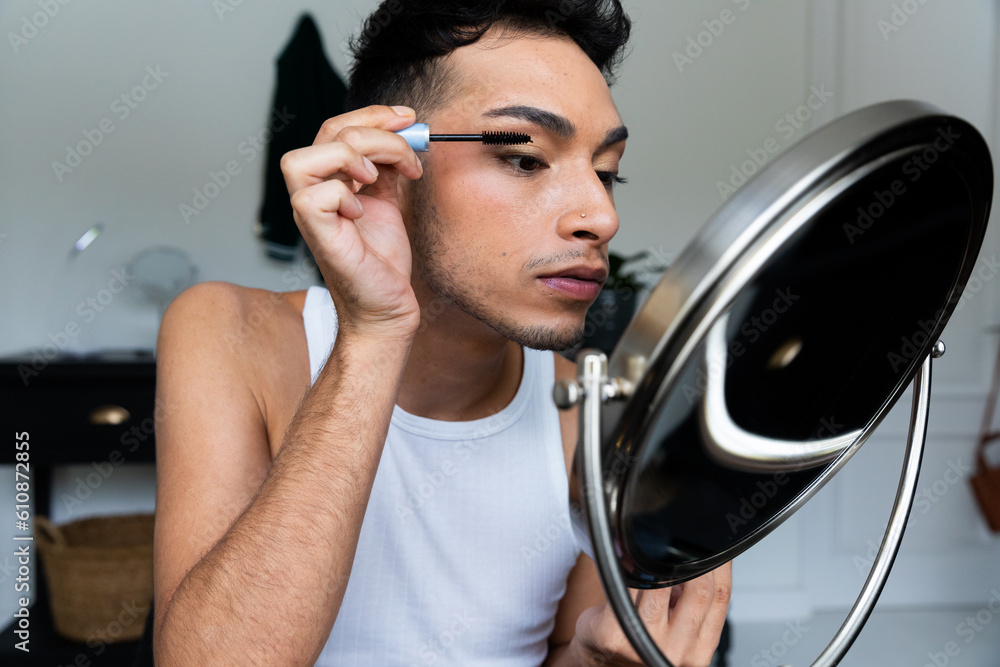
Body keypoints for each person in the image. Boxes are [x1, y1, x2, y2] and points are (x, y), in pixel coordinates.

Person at [152, 1, 732, 665]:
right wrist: (374, 333)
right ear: (389, 163)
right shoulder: (229, 333)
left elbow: (565, 654)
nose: (600, 216)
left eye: (606, 172)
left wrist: (596, 660)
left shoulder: (587, 421)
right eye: (525, 158)